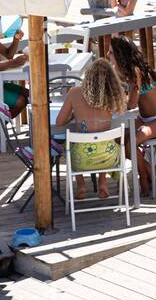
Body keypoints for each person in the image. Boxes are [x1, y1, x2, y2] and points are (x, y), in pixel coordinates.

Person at [54, 59, 126, 201]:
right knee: (105, 143)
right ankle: (102, 182)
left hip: (81, 160)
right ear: (111, 80)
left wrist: (74, 115)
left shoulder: (74, 92)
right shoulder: (111, 97)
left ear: (88, 75)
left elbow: (59, 122)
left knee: (71, 145)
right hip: (108, 159)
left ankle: (81, 185)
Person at [109, 36, 156, 197]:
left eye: (111, 52)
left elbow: (132, 104)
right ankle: (148, 170)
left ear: (119, 55)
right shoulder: (130, 70)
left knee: (129, 143)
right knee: (118, 138)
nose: (108, 55)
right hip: (145, 120)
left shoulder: (136, 71)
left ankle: (143, 177)